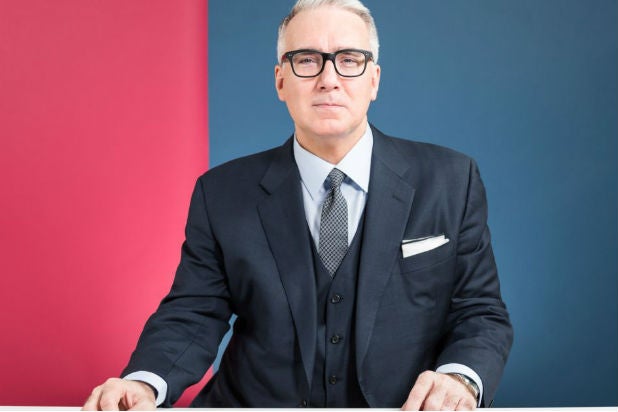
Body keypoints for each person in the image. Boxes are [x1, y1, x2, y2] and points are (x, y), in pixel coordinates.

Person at [83, 0, 513, 410]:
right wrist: (143, 382)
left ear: (374, 80)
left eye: (349, 59)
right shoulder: (222, 193)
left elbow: (479, 311)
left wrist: (459, 379)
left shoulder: (451, 180)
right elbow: (194, 312)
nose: (329, 79)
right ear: (280, 81)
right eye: (307, 60)